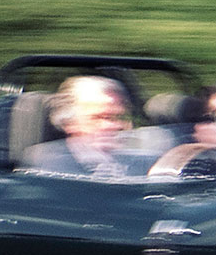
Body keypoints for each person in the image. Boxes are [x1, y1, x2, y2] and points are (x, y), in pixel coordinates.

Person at [22, 75, 152, 178]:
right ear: (71, 123)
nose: (114, 126)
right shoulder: (48, 163)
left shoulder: (143, 162)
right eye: (100, 117)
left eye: (120, 117)